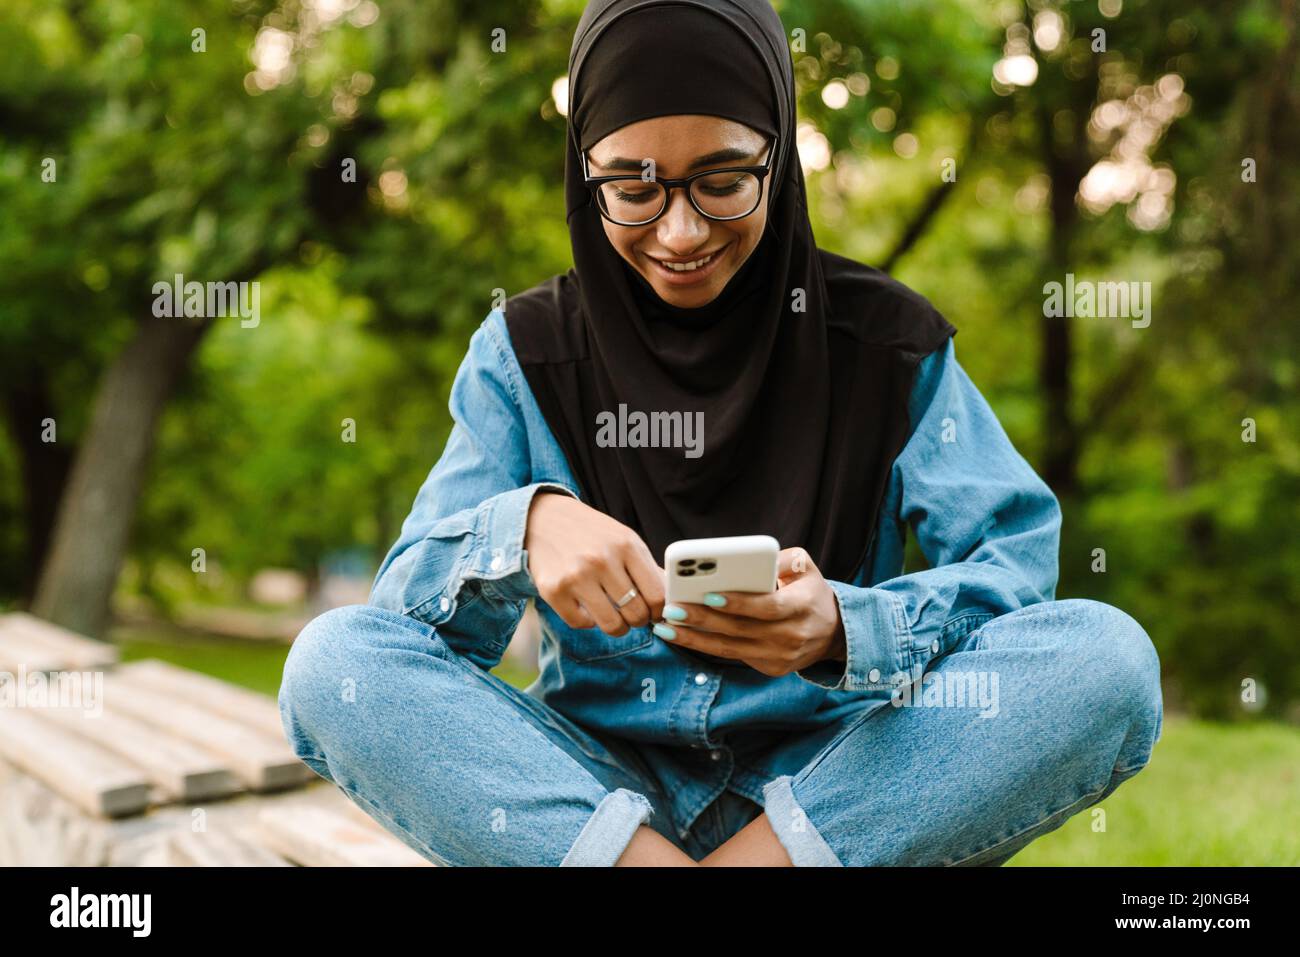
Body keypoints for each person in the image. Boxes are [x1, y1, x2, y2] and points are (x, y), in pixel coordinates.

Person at [277, 0, 1163, 866]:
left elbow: (1016, 573)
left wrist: (843, 630)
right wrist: (524, 529)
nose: (680, 230)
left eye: (723, 180)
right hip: (598, 796)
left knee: (1107, 661)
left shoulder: (889, 346)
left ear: (780, 155)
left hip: (841, 790)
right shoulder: (524, 355)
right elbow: (406, 634)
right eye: (631, 186)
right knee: (331, 664)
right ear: (583, 171)